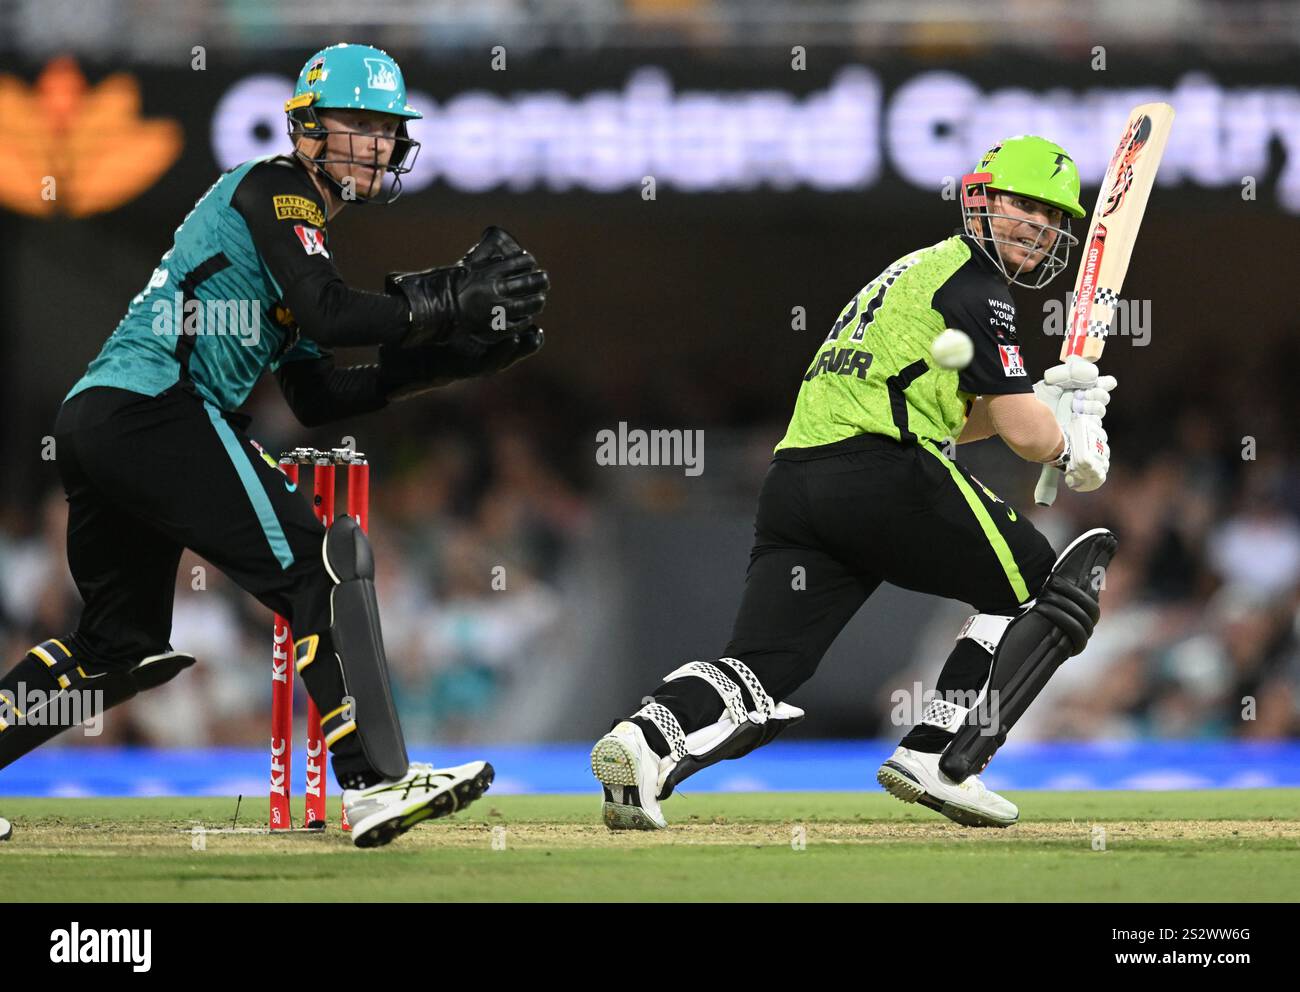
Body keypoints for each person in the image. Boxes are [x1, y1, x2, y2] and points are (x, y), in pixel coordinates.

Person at [0, 43, 550, 848]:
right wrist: (445, 301)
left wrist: (455, 356)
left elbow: (317, 389)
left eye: (383, 128)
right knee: (323, 565)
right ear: (307, 128)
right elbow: (330, 313)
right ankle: (377, 782)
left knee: (117, 647)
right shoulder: (275, 187)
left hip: (106, 422)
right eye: (356, 123)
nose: (374, 142)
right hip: (158, 409)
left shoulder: (296, 231)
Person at [591, 135, 1118, 829]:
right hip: (884, 474)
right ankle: (942, 755)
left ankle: (646, 739)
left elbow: (947, 417)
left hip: (800, 484)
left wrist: (1036, 405)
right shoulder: (976, 287)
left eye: (1051, 217)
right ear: (980, 200)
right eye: (1023, 206)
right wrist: (1070, 439)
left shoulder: (911, 273)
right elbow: (1024, 437)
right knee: (1048, 588)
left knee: (764, 671)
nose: (1037, 227)